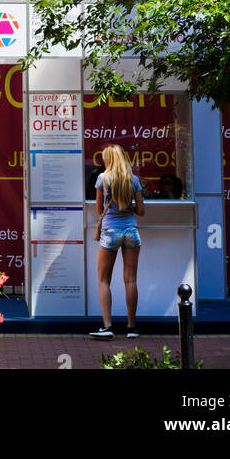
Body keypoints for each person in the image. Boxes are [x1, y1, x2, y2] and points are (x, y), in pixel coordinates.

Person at [88, 143, 145, 339]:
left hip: (110, 232)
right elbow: (141, 211)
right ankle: (131, 327)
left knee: (104, 280)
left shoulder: (103, 178)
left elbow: (98, 210)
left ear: (108, 160)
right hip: (131, 232)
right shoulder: (133, 180)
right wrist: (127, 204)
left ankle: (107, 326)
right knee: (131, 280)